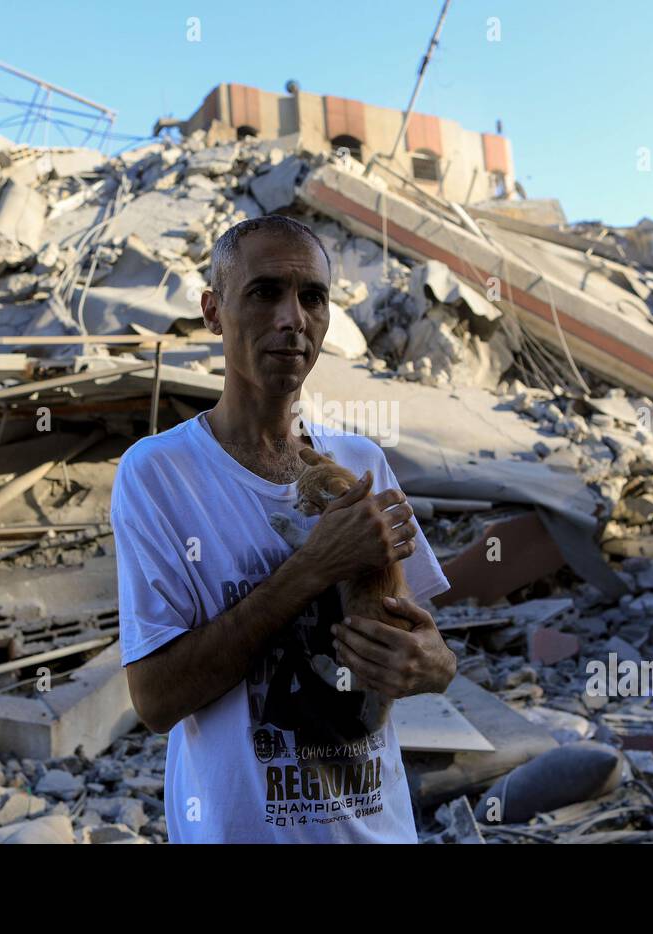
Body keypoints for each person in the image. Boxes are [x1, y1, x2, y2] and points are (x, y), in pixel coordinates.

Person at [112, 215, 455, 843]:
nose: (292, 318)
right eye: (265, 292)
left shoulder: (360, 463)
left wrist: (434, 665)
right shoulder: (159, 473)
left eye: (312, 297)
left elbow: (419, 649)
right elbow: (156, 701)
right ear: (213, 312)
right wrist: (312, 567)